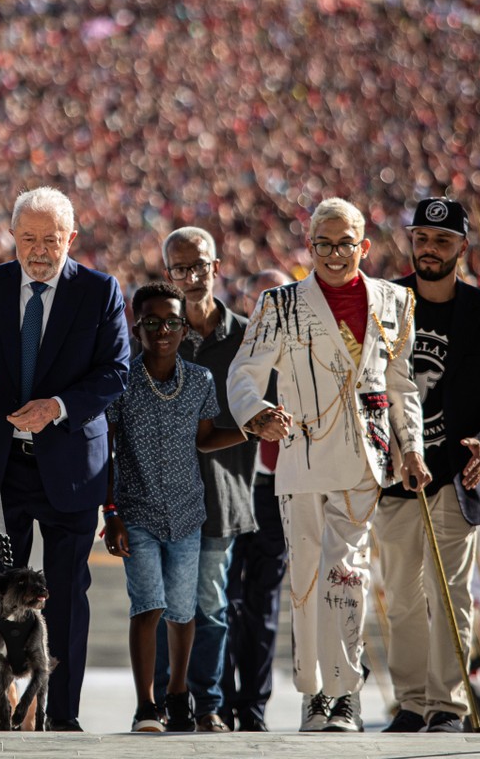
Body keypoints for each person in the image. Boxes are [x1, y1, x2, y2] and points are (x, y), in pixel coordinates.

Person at [227, 197, 430, 734]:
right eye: (324, 244)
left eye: (345, 244)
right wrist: (257, 413)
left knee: (348, 574)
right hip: (301, 456)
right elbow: (245, 372)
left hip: (365, 459)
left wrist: (412, 449)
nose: (335, 254)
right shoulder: (279, 303)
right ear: (310, 246)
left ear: (364, 246)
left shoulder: (396, 301)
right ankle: (313, 694)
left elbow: (402, 385)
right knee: (307, 578)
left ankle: (344, 695)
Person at [0, 186, 130, 732]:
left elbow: (115, 371)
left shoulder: (98, 291)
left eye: (51, 239)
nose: (40, 250)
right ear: (12, 237)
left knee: (66, 594)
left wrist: (58, 407)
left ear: (71, 238)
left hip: (70, 465)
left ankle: (60, 714)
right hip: (0, 466)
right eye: (28, 239)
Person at [372, 198, 480, 734]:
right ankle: (411, 704)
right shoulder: (382, 303)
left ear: (462, 246)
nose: (429, 249)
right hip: (395, 478)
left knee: (451, 594)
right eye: (421, 238)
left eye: (441, 240)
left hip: (458, 477)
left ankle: (447, 707)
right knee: (402, 599)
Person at [104, 282, 250, 732]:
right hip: (137, 511)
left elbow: (205, 439)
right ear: (136, 328)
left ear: (185, 329)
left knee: (183, 612)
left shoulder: (200, 380)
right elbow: (106, 449)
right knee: (148, 606)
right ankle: (146, 706)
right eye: (151, 322)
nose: (162, 330)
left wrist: (249, 429)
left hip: (188, 513)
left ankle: (178, 695)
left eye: (171, 322)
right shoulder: (122, 381)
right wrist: (111, 513)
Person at [153, 226, 259, 733]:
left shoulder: (247, 336)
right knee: (162, 605)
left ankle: (209, 704)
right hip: (162, 497)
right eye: (181, 269)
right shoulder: (155, 336)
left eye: (200, 266)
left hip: (221, 492)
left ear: (216, 267)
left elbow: (259, 410)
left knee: (210, 606)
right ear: (168, 274)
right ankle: (161, 703)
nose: (192, 277)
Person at [222, 267, 292, 732]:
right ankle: (220, 702)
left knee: (263, 606)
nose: (269, 305)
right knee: (223, 602)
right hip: (232, 485)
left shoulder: (301, 346)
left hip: (276, 490)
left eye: (279, 295)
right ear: (247, 302)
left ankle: (254, 706)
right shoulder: (232, 346)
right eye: (261, 297)